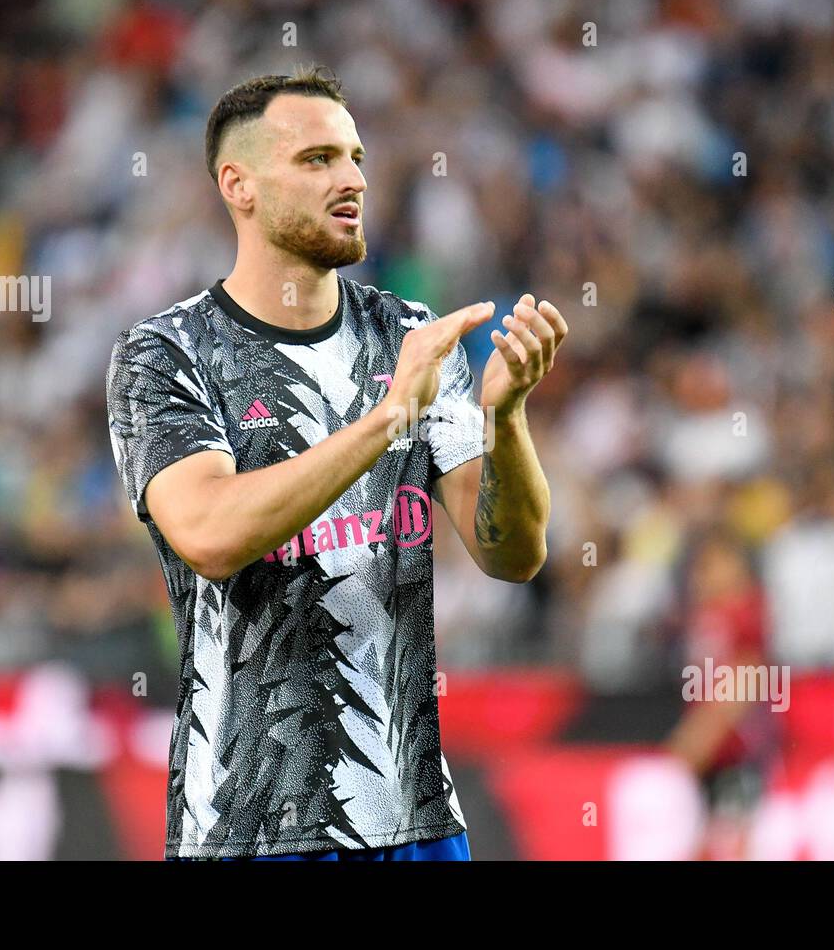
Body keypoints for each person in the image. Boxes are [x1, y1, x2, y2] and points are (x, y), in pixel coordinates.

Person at [104, 64, 566, 860]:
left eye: (355, 157)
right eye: (317, 160)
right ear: (238, 186)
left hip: (417, 820)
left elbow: (512, 554)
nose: (351, 179)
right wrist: (389, 419)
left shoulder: (409, 336)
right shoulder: (167, 354)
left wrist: (507, 417)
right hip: (246, 827)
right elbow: (211, 534)